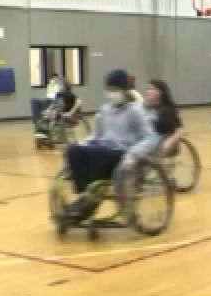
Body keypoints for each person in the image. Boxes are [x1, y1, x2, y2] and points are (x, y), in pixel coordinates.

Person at [62, 69, 159, 222]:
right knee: (72, 150)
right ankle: (85, 195)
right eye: (110, 90)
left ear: (125, 90)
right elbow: (97, 135)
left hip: (123, 154)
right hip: (103, 150)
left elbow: (151, 138)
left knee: (98, 153)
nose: (112, 93)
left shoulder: (135, 111)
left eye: (116, 90)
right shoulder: (105, 110)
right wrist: (84, 143)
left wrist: (134, 154)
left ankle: (88, 199)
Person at [145, 79, 183, 154]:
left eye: (151, 89)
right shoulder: (147, 107)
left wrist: (171, 140)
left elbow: (179, 129)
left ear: (160, 92)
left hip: (160, 143)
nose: (147, 92)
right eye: (147, 89)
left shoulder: (168, 109)